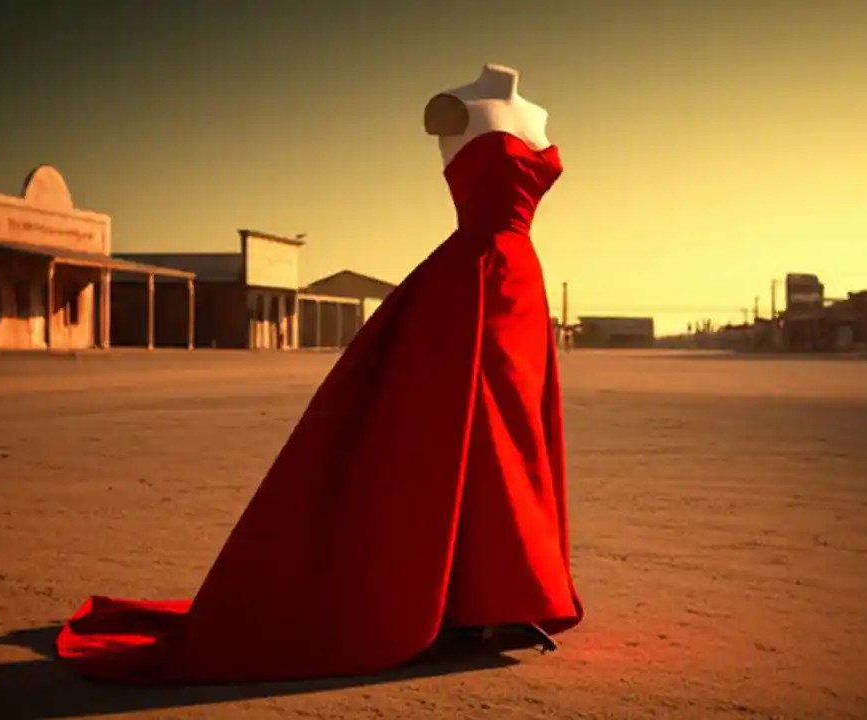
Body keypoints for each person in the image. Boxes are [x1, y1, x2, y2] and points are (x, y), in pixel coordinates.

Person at [55, 64, 583, 684]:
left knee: (515, 437)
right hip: (467, 287)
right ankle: (459, 599)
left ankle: (502, 592)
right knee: (465, 437)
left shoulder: (536, 112)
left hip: (520, 286)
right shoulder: (455, 107)